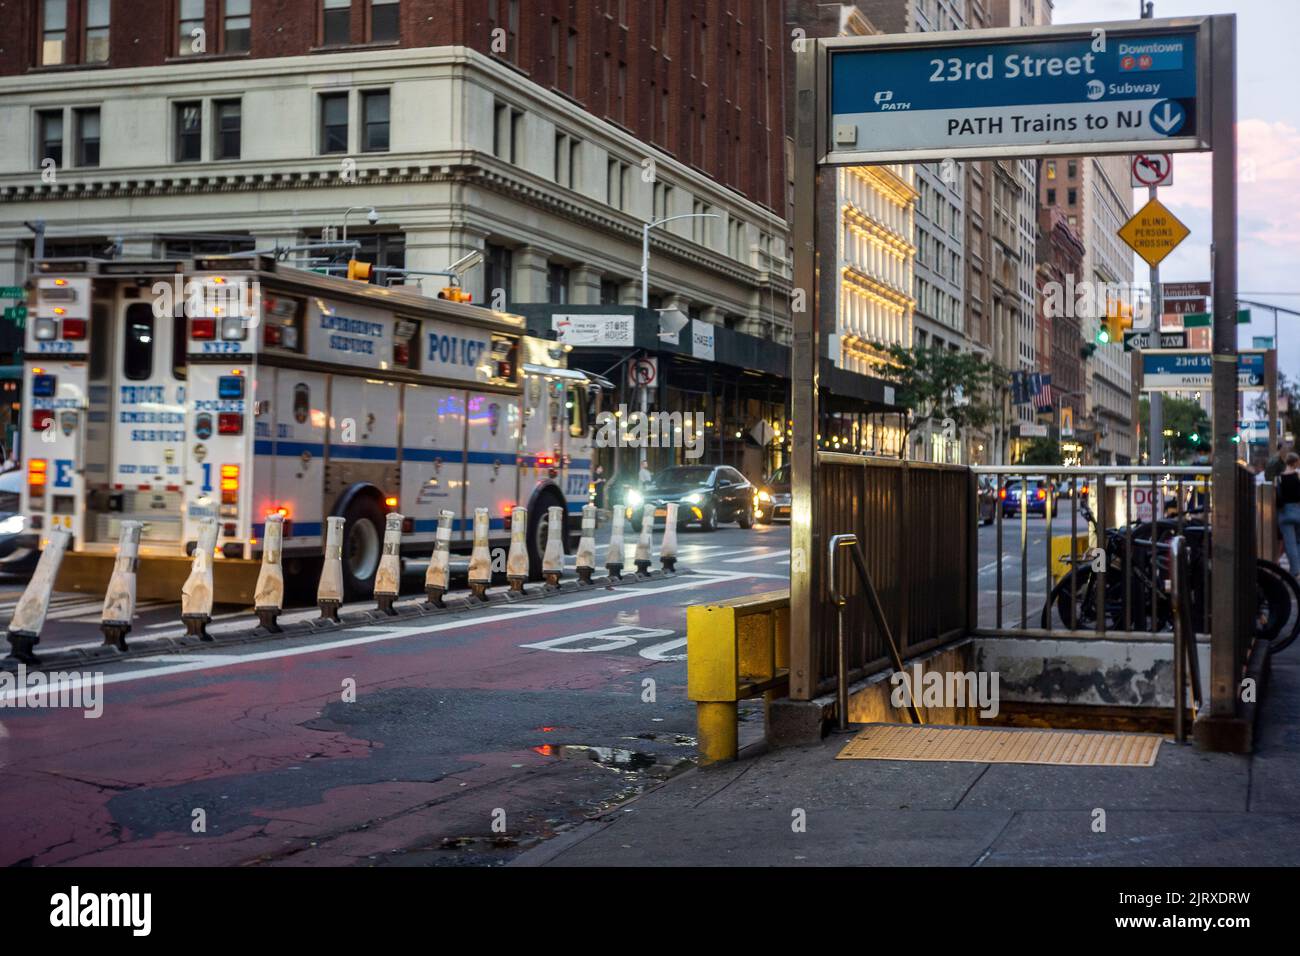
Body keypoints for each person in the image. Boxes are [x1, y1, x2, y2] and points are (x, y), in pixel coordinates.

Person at [1277, 452, 1300, 576]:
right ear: (1295, 462)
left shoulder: (1279, 476)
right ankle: (1298, 568)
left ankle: (1295, 570)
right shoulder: (1298, 475)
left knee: (1290, 543)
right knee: (1298, 541)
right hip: (1298, 509)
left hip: (1284, 512)